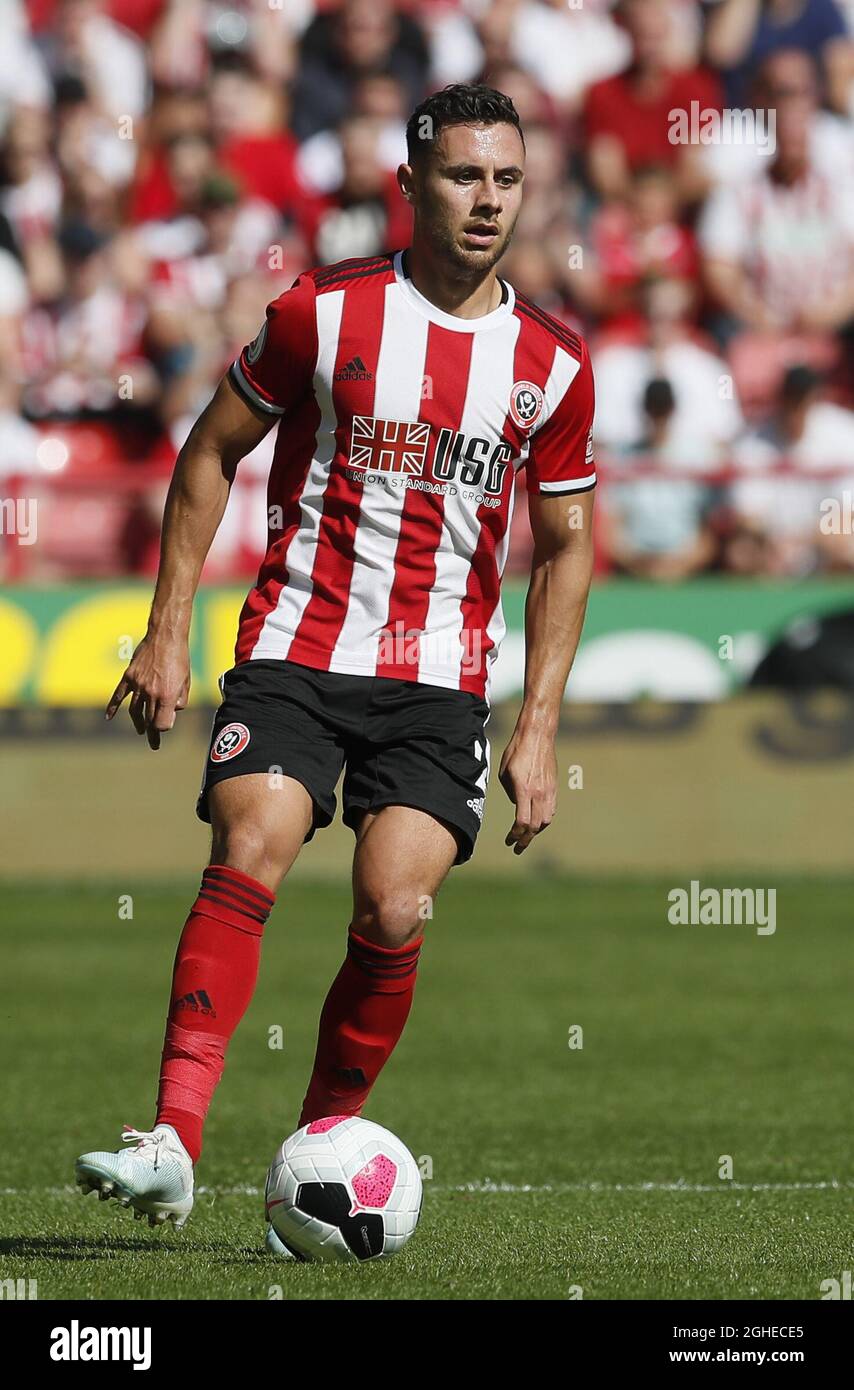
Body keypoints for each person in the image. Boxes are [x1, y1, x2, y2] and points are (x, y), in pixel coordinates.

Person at [74, 84, 596, 1244]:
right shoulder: (322, 313)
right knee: (249, 840)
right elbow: (210, 451)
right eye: (463, 176)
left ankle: (315, 1151)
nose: (486, 201)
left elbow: (565, 546)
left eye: (505, 179)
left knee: (395, 905)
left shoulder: (552, 363)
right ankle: (169, 1142)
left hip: (441, 679)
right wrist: (164, 629)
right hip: (297, 646)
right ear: (407, 185)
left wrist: (540, 725)